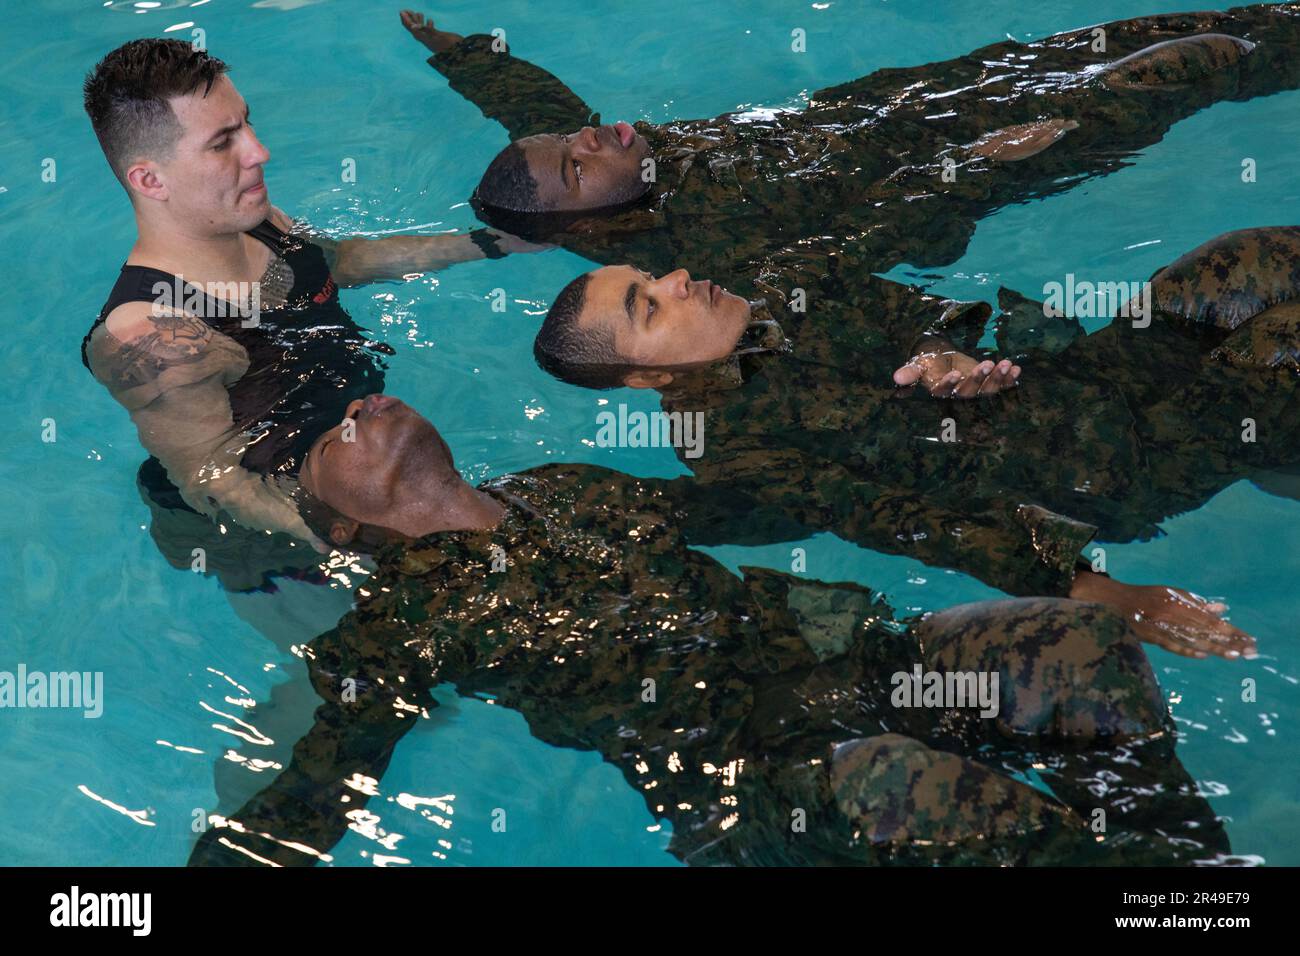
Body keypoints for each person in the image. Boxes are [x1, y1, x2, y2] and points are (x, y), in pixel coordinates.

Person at [188, 395, 1229, 867]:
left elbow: (802, 497)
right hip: (761, 779)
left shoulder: (565, 488)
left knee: (1063, 646)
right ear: (341, 528)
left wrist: (1071, 575)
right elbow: (320, 787)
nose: (358, 405)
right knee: (895, 784)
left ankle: (1186, 872)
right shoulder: (398, 625)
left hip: (857, 666)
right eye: (332, 437)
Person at [531, 226, 1300, 658]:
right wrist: (1103, 596)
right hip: (1109, 471)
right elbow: (905, 522)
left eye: (651, 274)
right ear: (642, 379)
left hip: (1084, 377)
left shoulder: (778, 279)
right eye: (650, 306)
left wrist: (944, 352)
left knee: (1255, 261)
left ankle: (1278, 454)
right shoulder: (734, 445)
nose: (680, 277)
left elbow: (918, 309)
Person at [401, 4, 1300, 283]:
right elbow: (862, 248)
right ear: (588, 227)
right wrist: (972, 170)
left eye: (575, 140)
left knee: (1161, 30)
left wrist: (463, 55)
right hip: (1001, 150)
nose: (590, 138)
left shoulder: (639, 162)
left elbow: (544, 109)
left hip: (927, 97)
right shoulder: (704, 249)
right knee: (1190, 65)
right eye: (577, 163)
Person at [80, 38, 537, 546]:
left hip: (363, 471)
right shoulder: (148, 335)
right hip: (282, 538)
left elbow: (338, 262)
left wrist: (489, 245)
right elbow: (217, 483)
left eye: (247, 123)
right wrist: (368, 551)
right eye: (221, 142)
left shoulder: (257, 221)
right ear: (149, 179)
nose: (258, 151)